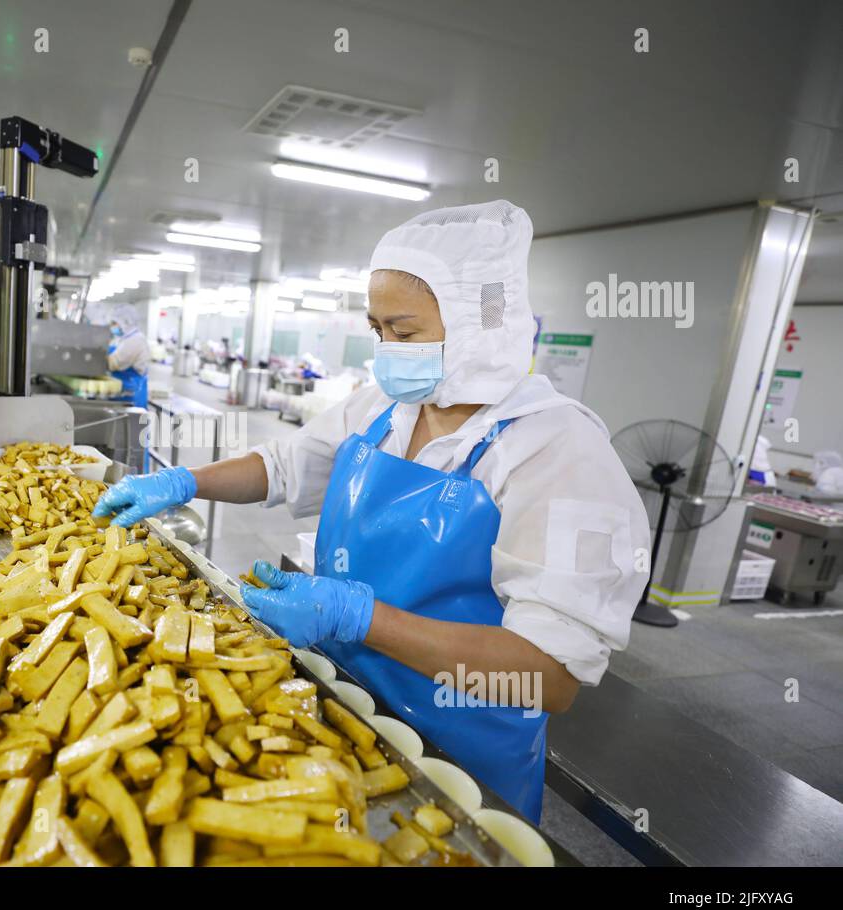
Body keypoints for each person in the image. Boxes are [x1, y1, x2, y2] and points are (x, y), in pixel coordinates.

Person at [93, 200, 650, 822]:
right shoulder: (384, 410)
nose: (387, 349)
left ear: (478, 325)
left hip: (458, 761)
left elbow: (550, 675)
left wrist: (356, 615)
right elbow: (284, 464)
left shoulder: (557, 451)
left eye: (404, 332)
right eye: (378, 330)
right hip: (341, 709)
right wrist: (182, 481)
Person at [105, 307, 150, 409]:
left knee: (130, 423)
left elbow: (113, 363)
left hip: (131, 394)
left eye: (114, 323)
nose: (112, 326)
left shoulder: (135, 340)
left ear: (125, 322)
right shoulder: (123, 339)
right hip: (121, 393)